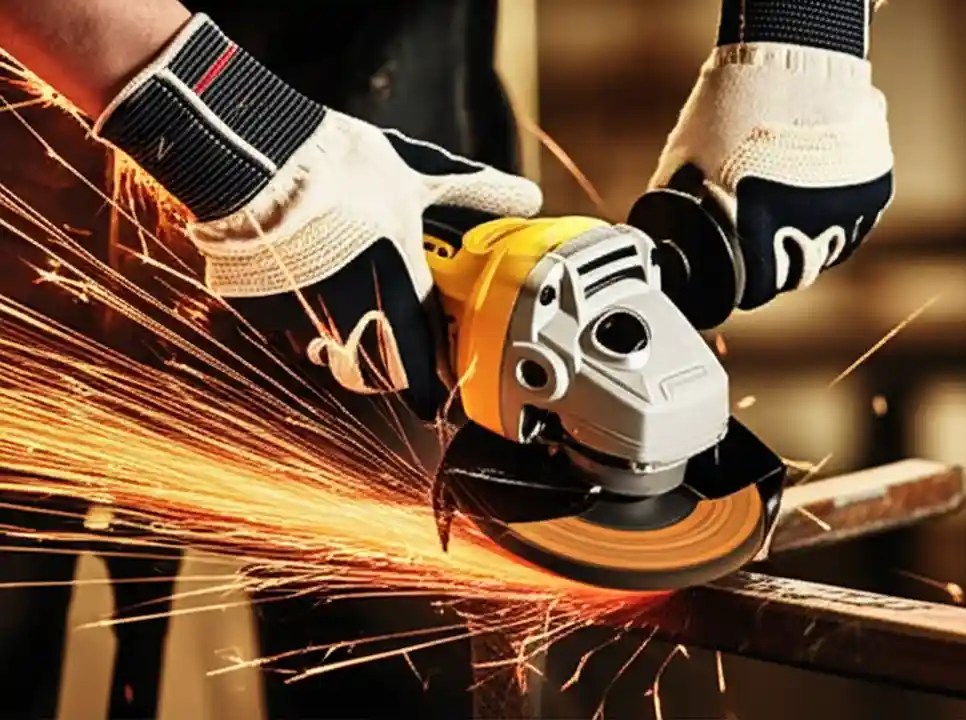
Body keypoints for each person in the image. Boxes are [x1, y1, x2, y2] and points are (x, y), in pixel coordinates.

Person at [0, 0, 893, 717]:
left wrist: (803, 40)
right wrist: (215, 128)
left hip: (390, 101)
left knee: (404, 664)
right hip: (34, 154)